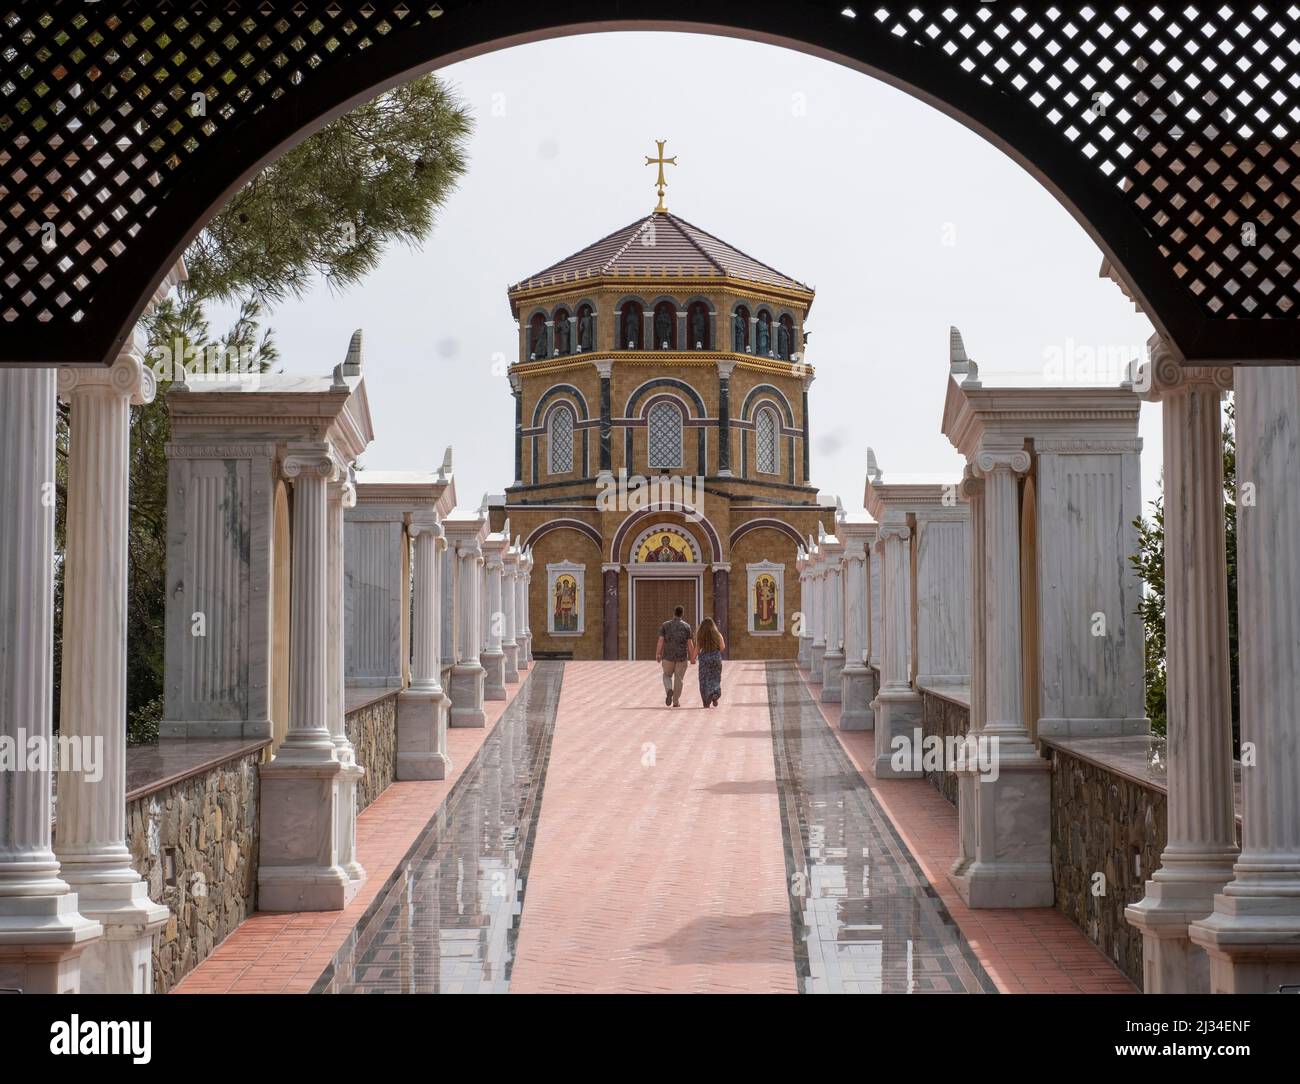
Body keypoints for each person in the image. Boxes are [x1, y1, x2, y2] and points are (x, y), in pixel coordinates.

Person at [655, 604, 696, 707]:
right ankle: (676, 701)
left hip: (668, 656)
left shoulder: (665, 625)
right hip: (681, 657)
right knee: (679, 679)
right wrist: (692, 657)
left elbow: (661, 640)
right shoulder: (686, 626)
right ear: (682, 614)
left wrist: (658, 653)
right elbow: (689, 643)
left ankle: (669, 690)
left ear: (674, 613)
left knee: (666, 675)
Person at [695, 617, 725, 707]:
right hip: (716, 658)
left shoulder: (701, 635)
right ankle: (715, 694)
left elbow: (697, 648)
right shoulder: (717, 634)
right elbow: (722, 647)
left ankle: (706, 701)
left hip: (704, 659)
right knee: (715, 678)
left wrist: (693, 658)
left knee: (704, 679)